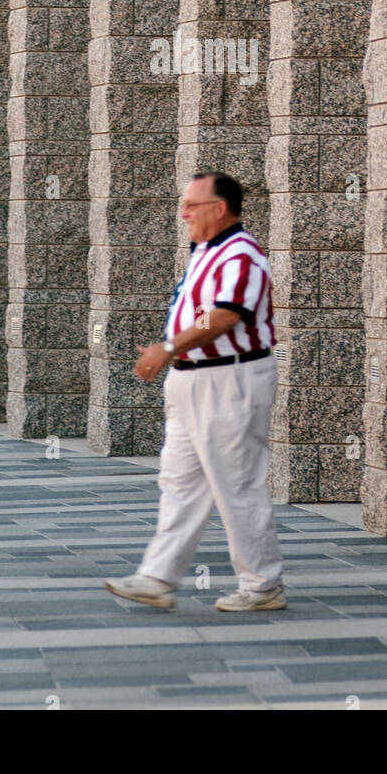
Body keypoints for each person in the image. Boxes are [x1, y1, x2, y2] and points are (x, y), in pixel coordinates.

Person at [103, 171, 286, 612]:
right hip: (194, 379)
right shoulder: (207, 250)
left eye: (191, 204)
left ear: (218, 209)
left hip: (230, 380)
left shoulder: (242, 254)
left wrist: (168, 347)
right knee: (179, 481)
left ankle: (262, 586)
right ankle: (157, 577)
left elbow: (225, 316)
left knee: (237, 484)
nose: (183, 212)